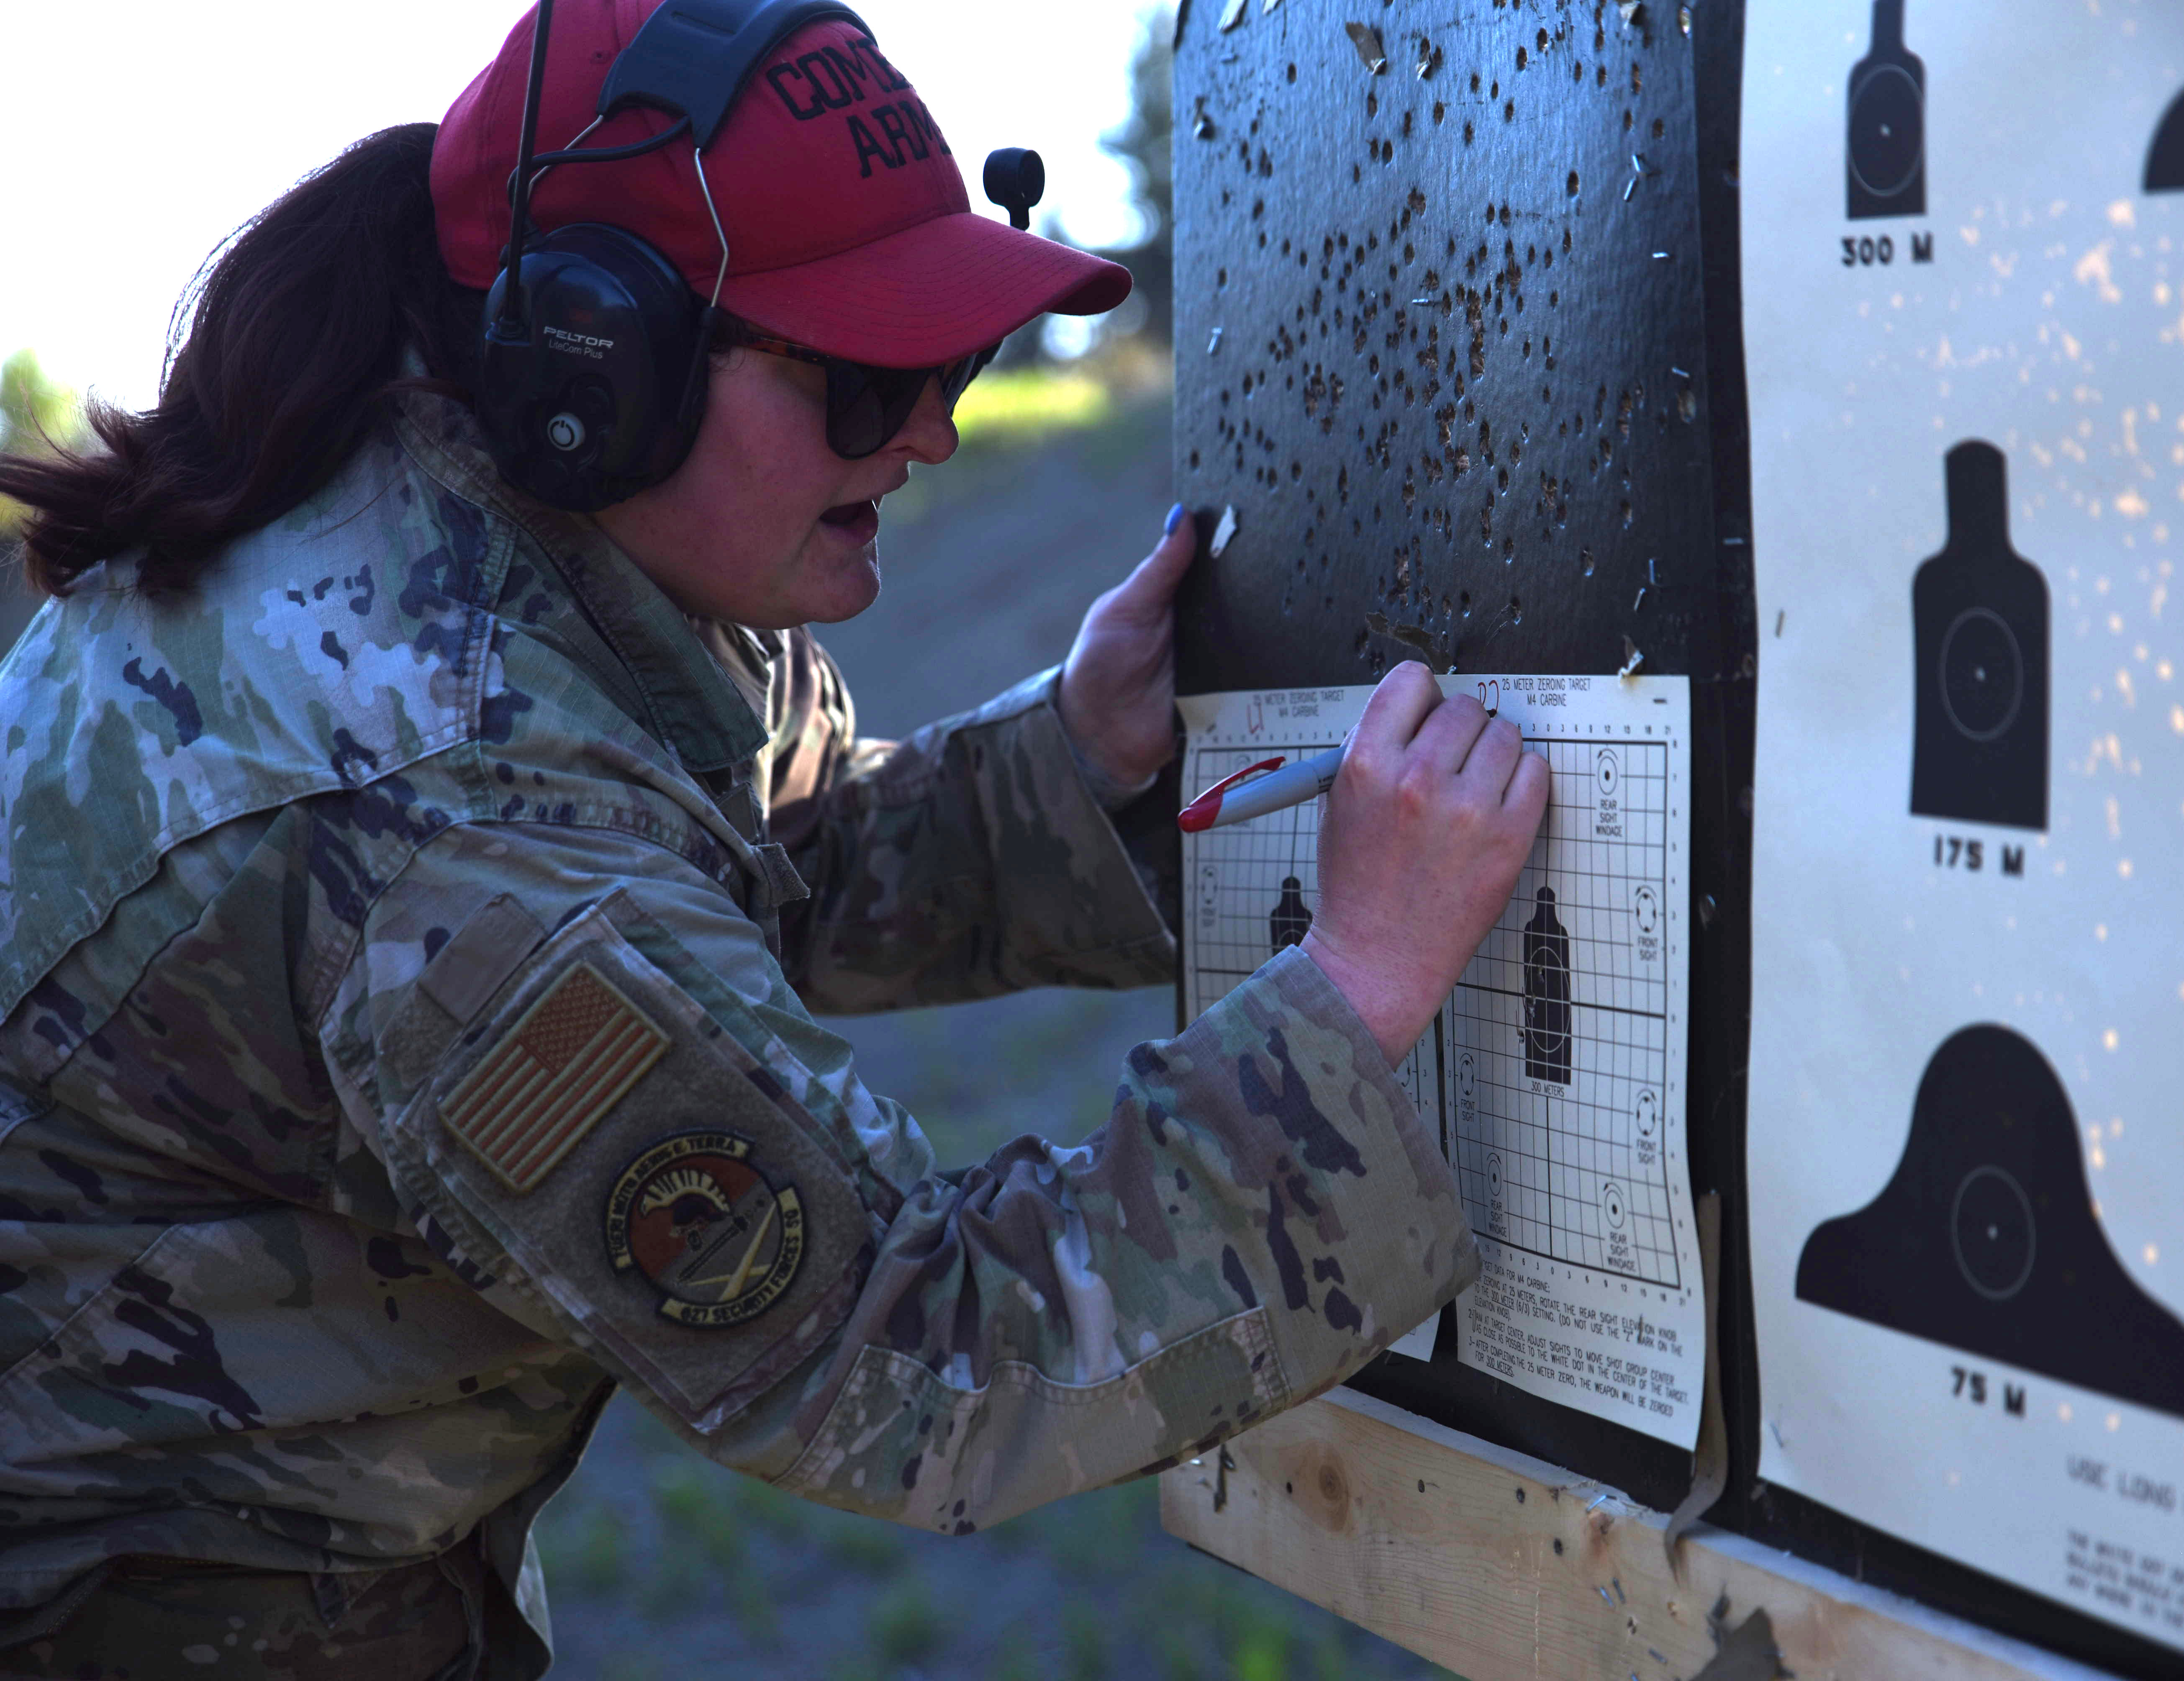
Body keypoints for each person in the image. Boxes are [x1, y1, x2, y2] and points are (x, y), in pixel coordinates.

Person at [0, 1, 1549, 1675]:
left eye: (953, 365)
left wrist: (1073, 757)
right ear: (596, 364)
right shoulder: (451, 828)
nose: (933, 431)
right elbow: (917, 1358)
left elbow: (742, 862)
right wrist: (1357, 990)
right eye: (869, 379)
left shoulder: (488, 533)